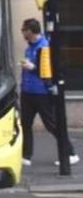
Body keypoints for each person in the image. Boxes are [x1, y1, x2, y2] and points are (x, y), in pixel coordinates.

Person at [19, 18, 78, 166]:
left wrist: (32, 67)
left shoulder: (44, 47)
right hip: (28, 91)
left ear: (30, 31)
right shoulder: (29, 47)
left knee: (52, 125)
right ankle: (26, 156)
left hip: (41, 92)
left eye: (24, 30)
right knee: (25, 124)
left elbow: (49, 71)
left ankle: (70, 153)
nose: (22, 33)